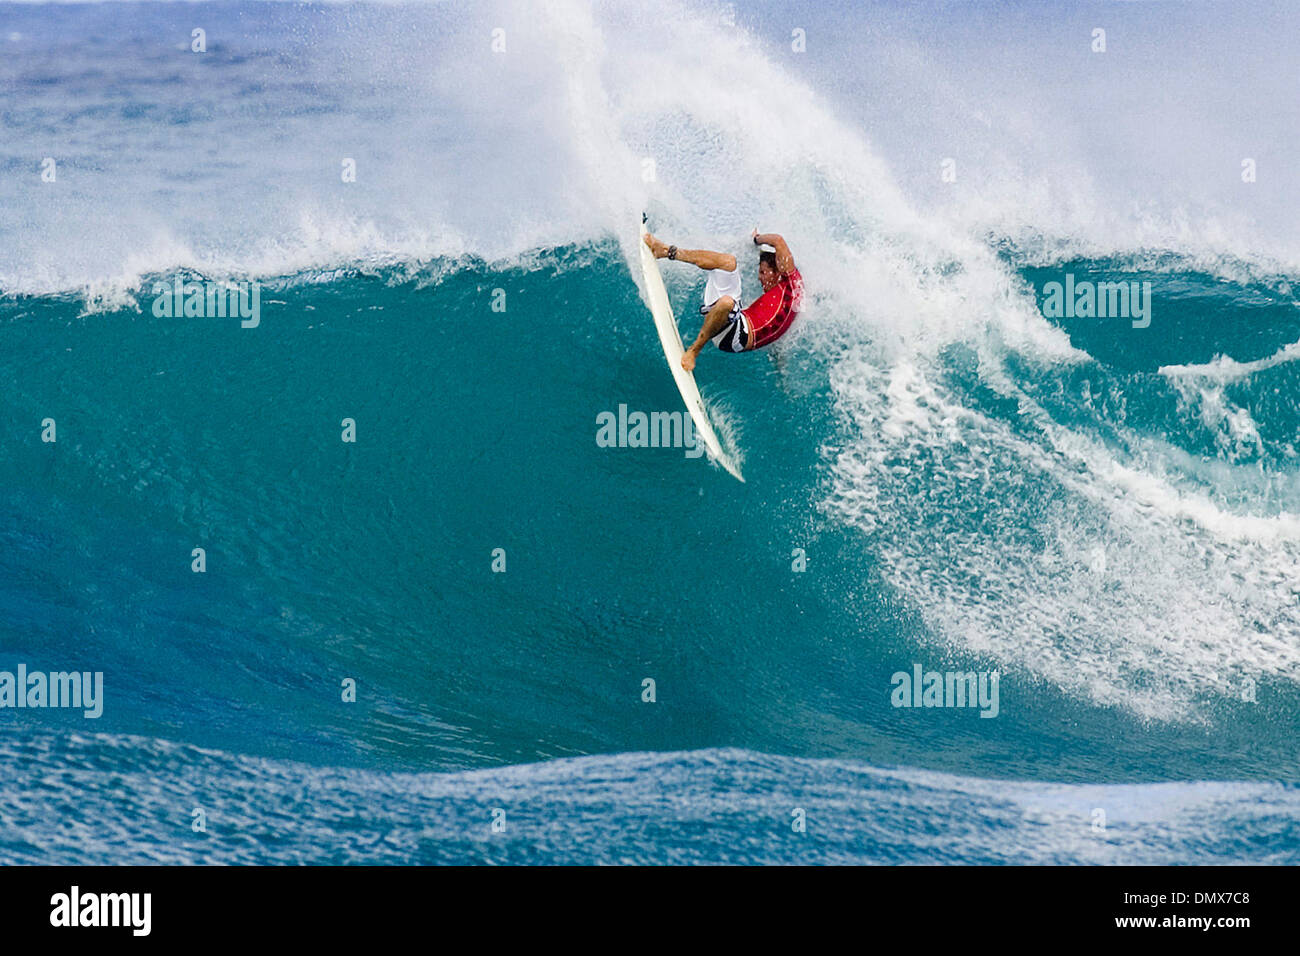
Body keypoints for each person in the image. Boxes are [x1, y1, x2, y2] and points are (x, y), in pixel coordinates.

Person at [643, 229, 802, 371]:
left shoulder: (790, 280)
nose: (759, 277)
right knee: (729, 262)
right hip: (735, 319)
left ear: (778, 272)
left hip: (735, 337)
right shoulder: (793, 293)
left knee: (727, 302)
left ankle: (694, 351)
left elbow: (778, 240)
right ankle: (665, 251)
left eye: (763, 272)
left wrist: (756, 239)